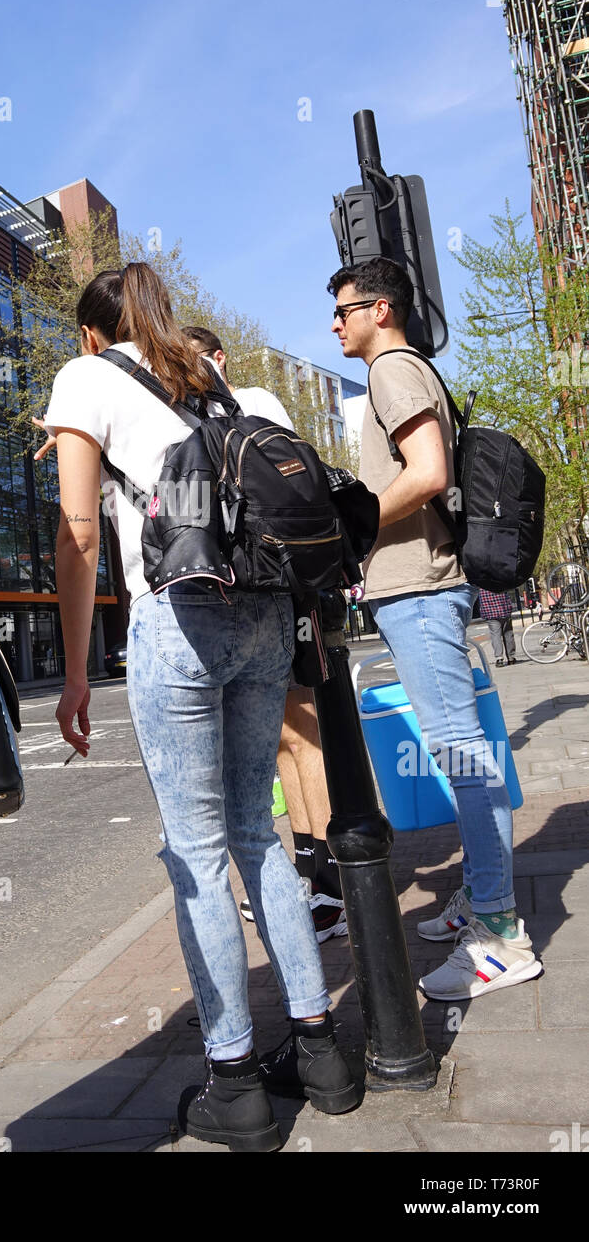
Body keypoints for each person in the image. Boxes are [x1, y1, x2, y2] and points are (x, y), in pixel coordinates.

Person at [43, 263, 359, 1151]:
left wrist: (76, 670)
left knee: (196, 848)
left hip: (178, 623)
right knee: (258, 835)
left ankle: (234, 1080)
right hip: (263, 621)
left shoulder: (86, 376)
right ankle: (321, 1050)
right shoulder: (205, 374)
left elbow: (75, 535)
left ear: (92, 333)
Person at [329, 256, 541, 999]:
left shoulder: (391, 370)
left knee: (463, 756)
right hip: (416, 589)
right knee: (463, 752)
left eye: (344, 310)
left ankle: (501, 931)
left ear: (380, 309)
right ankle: (481, 897)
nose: (336, 324)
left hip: (420, 589)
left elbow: (426, 472)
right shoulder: (400, 369)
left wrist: (350, 524)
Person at [181, 327, 346, 942]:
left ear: (216, 358)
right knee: (281, 741)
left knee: (303, 736)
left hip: (283, 591)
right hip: (257, 592)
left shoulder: (251, 400)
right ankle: (311, 872)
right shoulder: (199, 414)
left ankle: (334, 883)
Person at [478, 589, 517, 666]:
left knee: (495, 636)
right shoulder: (499, 582)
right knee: (508, 634)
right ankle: (511, 657)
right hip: (504, 612)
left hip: (490, 614)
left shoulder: (481, 586)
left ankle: (499, 658)